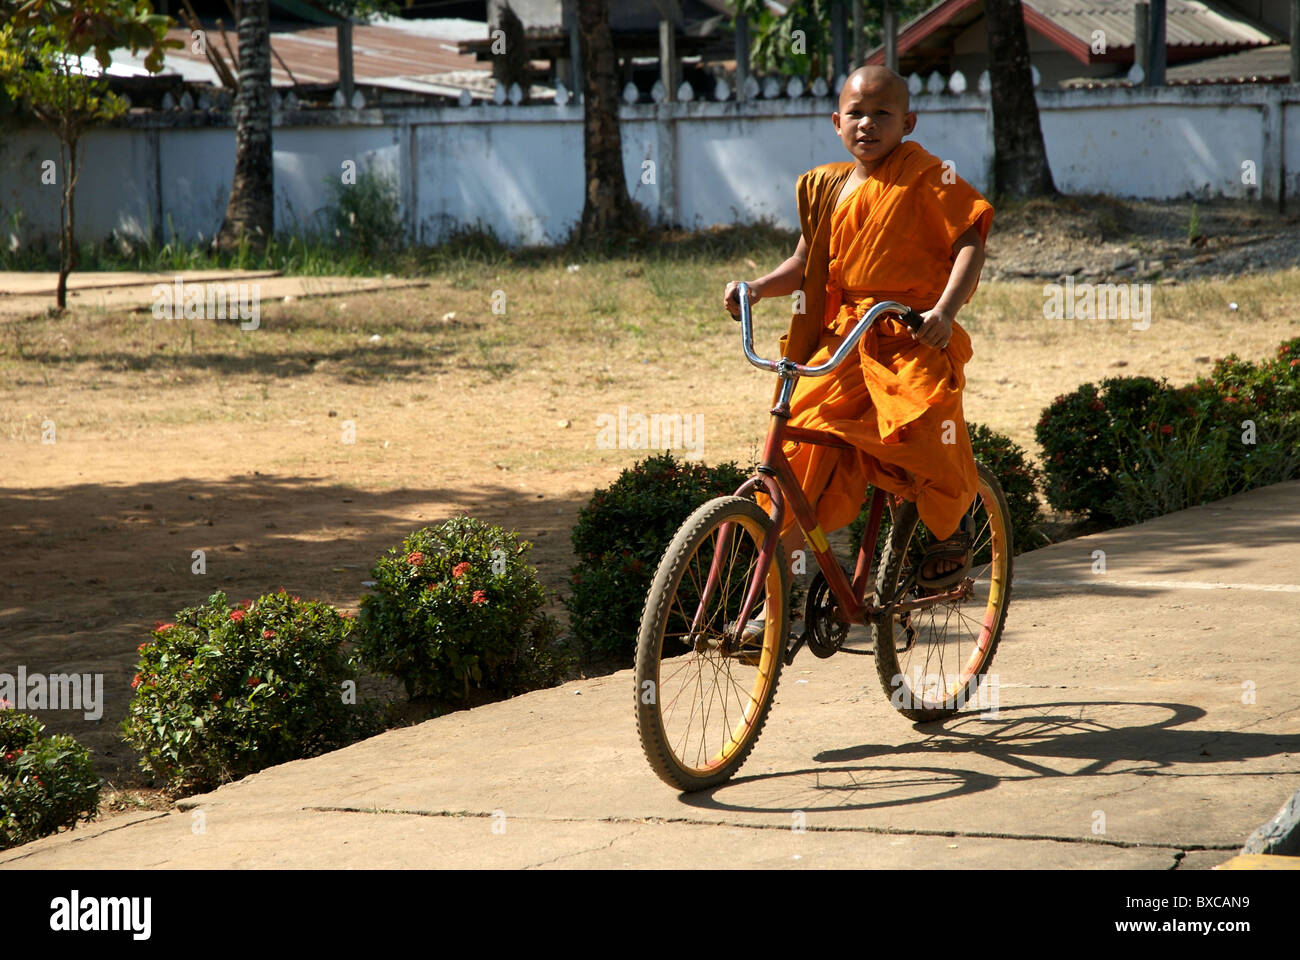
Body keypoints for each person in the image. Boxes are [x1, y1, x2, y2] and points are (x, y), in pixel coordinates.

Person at [723, 65, 993, 638]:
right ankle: (769, 611)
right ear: (836, 122)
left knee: (922, 419)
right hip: (842, 340)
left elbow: (970, 241)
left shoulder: (929, 175)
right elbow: (804, 266)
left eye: (883, 114)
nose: (868, 124)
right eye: (856, 113)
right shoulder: (827, 186)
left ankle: (952, 522)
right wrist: (756, 288)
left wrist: (944, 312)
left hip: (907, 331)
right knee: (799, 451)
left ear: (908, 122)